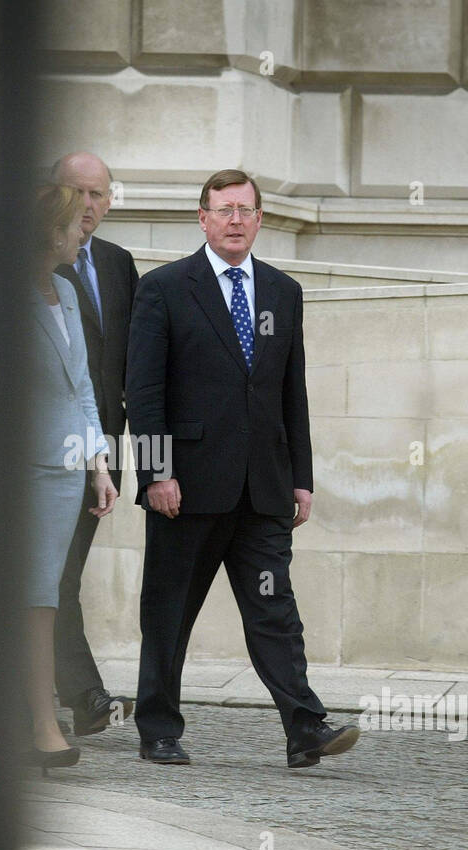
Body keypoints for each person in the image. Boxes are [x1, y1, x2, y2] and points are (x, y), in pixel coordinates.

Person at [126, 168, 360, 768]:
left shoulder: (284, 291)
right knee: (170, 612)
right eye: (223, 210)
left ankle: (305, 726)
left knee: (274, 610)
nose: (235, 220)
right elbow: (143, 392)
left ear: (259, 219)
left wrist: (300, 477)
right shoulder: (165, 288)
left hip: (263, 490)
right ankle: (158, 727)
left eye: (246, 210)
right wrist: (156, 474)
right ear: (202, 218)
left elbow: (291, 392)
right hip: (187, 489)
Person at [0, 184, 118, 771]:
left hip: (65, 474)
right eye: (75, 225)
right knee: (32, 601)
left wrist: (99, 466)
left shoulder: (69, 293)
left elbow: (83, 387)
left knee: (45, 599)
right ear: (50, 234)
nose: (84, 232)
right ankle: (39, 722)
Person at [47, 152, 139, 737]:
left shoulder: (117, 262)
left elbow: (130, 365)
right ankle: (84, 696)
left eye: (99, 194)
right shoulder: (21, 261)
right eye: (77, 192)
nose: (89, 204)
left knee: (62, 574)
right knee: (52, 578)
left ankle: (71, 697)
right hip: (44, 449)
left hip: (103, 446)